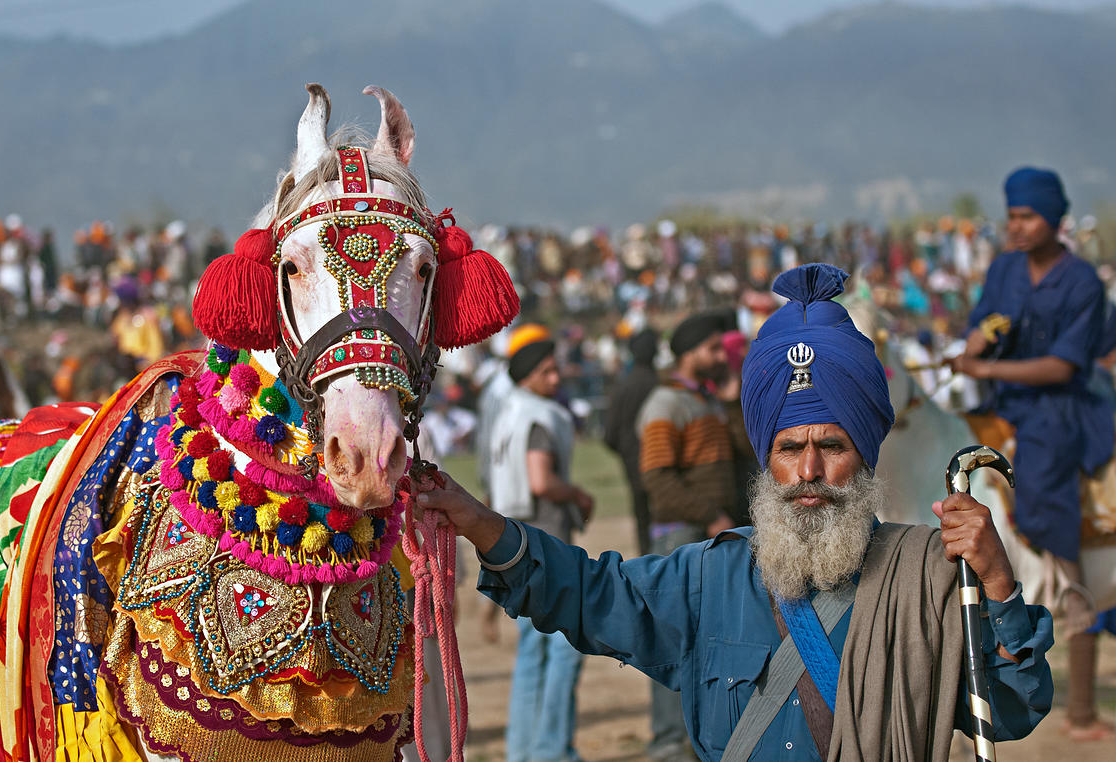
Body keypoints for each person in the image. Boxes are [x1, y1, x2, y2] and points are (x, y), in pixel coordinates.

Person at [418, 264, 1054, 761]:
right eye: (789, 449)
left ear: (864, 455)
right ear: (766, 457)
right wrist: (481, 524)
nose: (809, 472)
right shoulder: (707, 579)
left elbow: (1011, 711)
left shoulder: (931, 577)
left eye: (832, 446)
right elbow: (590, 594)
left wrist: (996, 584)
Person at [950, 166, 1113, 740]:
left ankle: (1070, 580)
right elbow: (979, 325)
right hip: (1003, 403)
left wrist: (986, 366)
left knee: (1039, 474)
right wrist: (973, 345)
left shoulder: (1083, 283)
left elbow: (1066, 366)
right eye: (1011, 215)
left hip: (1057, 409)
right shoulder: (1002, 270)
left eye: (1027, 216)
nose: (1016, 226)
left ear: (1055, 219)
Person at [486, 324, 594, 762]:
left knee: (532, 650)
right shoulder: (539, 416)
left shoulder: (505, 413)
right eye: (547, 372)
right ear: (528, 375)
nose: (556, 378)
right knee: (566, 646)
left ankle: (523, 750)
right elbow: (541, 480)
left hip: (513, 537)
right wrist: (579, 495)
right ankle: (552, 750)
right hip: (543, 541)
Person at [635, 311, 739, 758]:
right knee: (675, 642)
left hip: (710, 532)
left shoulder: (708, 401)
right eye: (714, 348)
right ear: (690, 353)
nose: (722, 356)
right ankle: (669, 741)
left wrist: (734, 402)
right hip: (683, 536)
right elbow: (658, 481)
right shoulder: (665, 404)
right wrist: (711, 514)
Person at [602, 327, 660, 556]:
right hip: (658, 462)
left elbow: (609, 434)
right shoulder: (658, 384)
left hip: (632, 461)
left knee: (642, 516)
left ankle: (646, 558)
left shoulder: (623, 386)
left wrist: (628, 453)